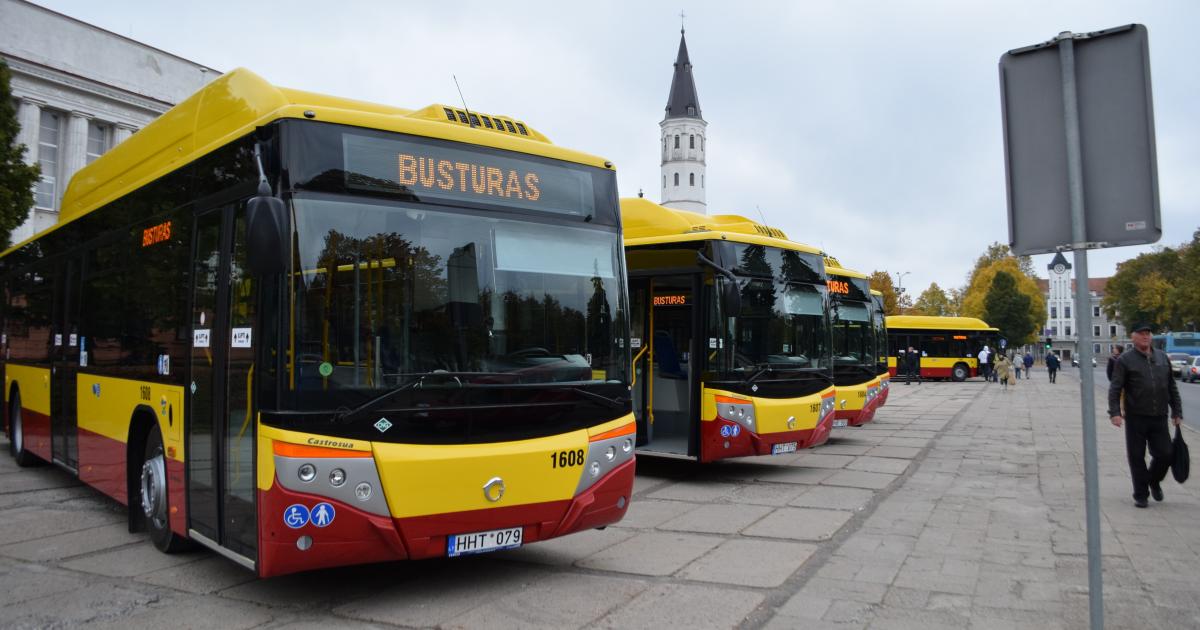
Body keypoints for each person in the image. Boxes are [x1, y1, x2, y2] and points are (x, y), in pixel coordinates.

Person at [1108, 323, 1184, 508]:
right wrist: (1115, 413)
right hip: (1136, 416)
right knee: (1136, 456)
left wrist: (1177, 411)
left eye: (1148, 333)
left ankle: (1153, 480)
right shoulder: (1125, 360)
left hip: (1159, 416)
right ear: (1133, 337)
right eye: (1141, 333)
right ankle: (1141, 494)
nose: (1145, 336)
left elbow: (1171, 386)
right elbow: (1115, 387)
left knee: (1166, 454)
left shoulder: (1161, 357)